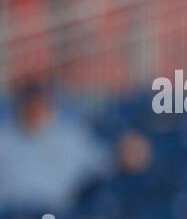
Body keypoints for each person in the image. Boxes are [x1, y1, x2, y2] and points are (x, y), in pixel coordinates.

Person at [0, 77, 152, 212]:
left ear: (50, 107)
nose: (35, 111)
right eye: (29, 105)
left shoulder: (69, 136)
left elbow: (100, 160)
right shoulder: (4, 138)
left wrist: (123, 155)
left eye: (39, 104)